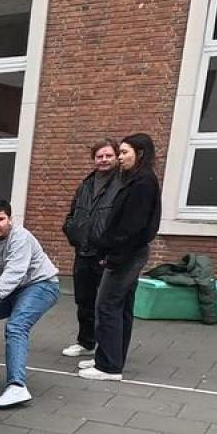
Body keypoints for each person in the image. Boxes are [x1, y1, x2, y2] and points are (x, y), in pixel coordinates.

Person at [81, 133, 161, 381]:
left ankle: (108, 366)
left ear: (140, 154)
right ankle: (111, 357)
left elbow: (132, 227)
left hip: (126, 255)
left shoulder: (142, 183)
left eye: (125, 152)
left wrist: (113, 256)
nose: (121, 157)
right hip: (127, 253)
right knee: (122, 307)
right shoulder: (136, 180)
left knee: (106, 305)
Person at [0, 201, 60, 409]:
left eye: (0, 219)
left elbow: (14, 272)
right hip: (15, 289)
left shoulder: (21, 237)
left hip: (41, 285)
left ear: (10, 219)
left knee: (16, 326)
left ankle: (17, 386)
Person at [60, 139, 121, 357]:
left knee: (104, 304)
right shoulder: (85, 184)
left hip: (105, 253)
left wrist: (109, 245)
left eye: (108, 156)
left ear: (116, 157)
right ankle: (86, 342)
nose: (104, 160)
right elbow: (73, 213)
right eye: (99, 156)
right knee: (83, 300)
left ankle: (105, 348)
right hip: (83, 251)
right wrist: (71, 230)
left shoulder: (121, 184)